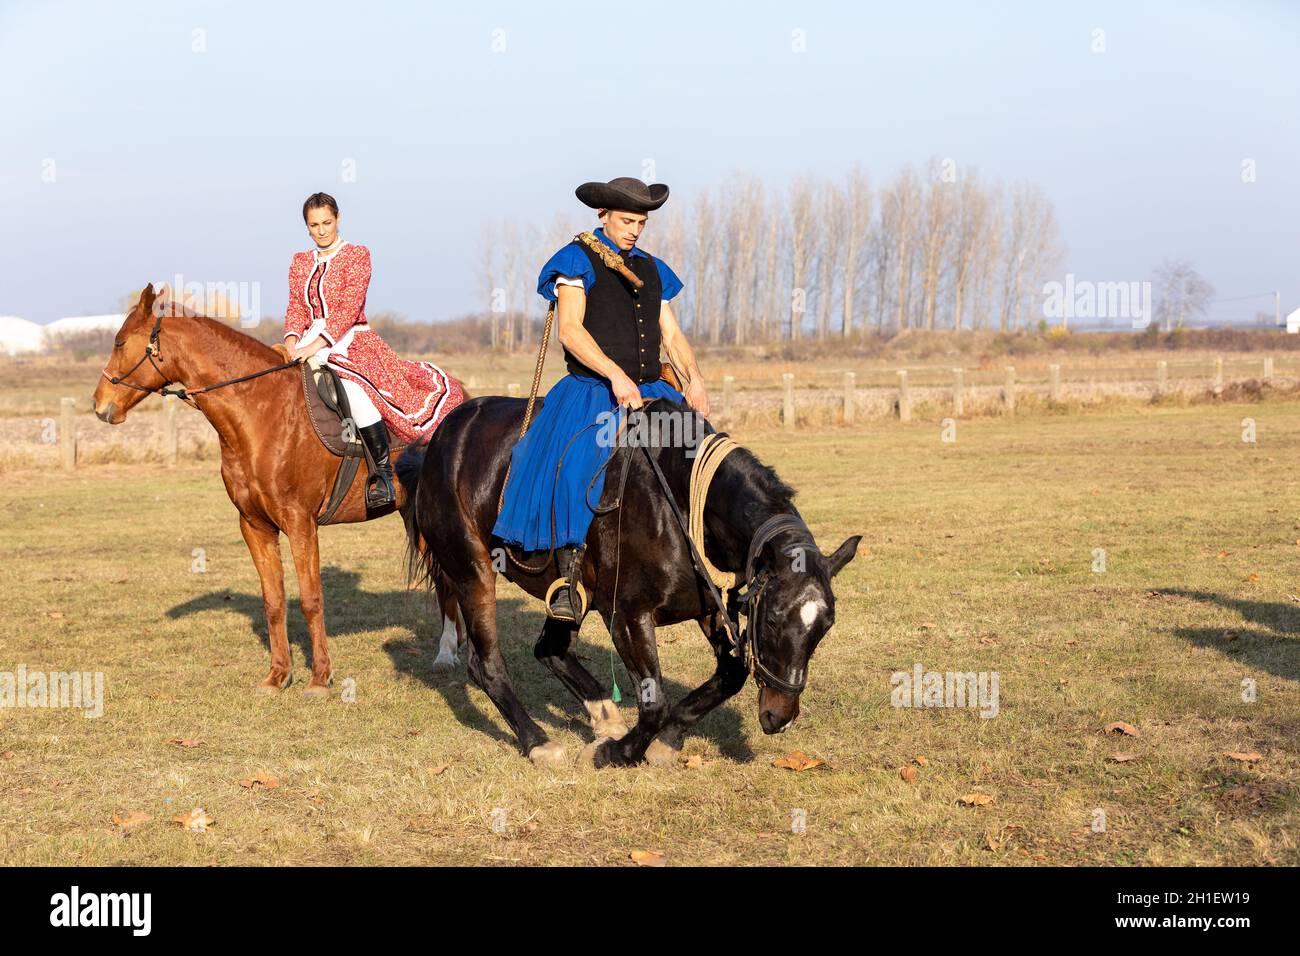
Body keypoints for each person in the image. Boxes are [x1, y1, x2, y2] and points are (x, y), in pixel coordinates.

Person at [492, 176, 710, 620]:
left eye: (641, 222)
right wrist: (614, 374)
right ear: (602, 215)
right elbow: (571, 331)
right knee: (580, 467)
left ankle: (699, 559)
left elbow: (671, 333)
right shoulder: (576, 260)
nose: (634, 229)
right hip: (594, 391)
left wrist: (696, 378)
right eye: (627, 220)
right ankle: (568, 578)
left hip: (651, 389)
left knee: (695, 450)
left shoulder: (651, 268)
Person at [281, 192, 464, 507]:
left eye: (327, 222)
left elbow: (347, 308)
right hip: (306, 343)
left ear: (338, 219)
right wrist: (291, 344)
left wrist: (314, 345)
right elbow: (296, 307)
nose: (322, 230)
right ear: (307, 227)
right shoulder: (300, 262)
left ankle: (381, 474)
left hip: (349, 341)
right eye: (315, 225)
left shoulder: (357, 255)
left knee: (356, 394)